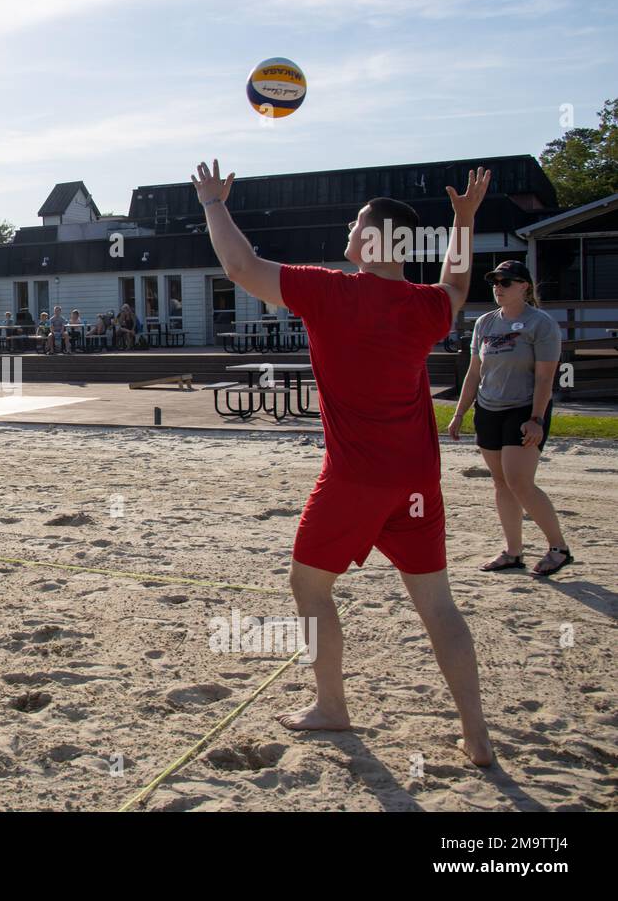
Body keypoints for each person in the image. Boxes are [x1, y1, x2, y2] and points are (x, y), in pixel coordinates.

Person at [194, 157, 495, 767]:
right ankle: (475, 733)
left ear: (380, 239)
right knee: (437, 604)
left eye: (358, 222)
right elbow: (458, 288)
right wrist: (463, 221)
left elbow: (239, 267)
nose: (349, 230)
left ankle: (331, 705)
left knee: (308, 586)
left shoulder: (332, 290)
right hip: (417, 480)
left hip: (356, 479)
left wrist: (213, 204)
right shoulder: (423, 304)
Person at [448, 260, 571, 576]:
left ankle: (558, 548)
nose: (498, 287)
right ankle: (513, 552)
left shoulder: (540, 324)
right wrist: (460, 412)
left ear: (524, 286)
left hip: (523, 410)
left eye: (506, 281)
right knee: (501, 482)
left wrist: (537, 419)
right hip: (488, 409)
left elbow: (545, 378)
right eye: (495, 281)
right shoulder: (485, 323)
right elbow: (474, 373)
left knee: (520, 481)